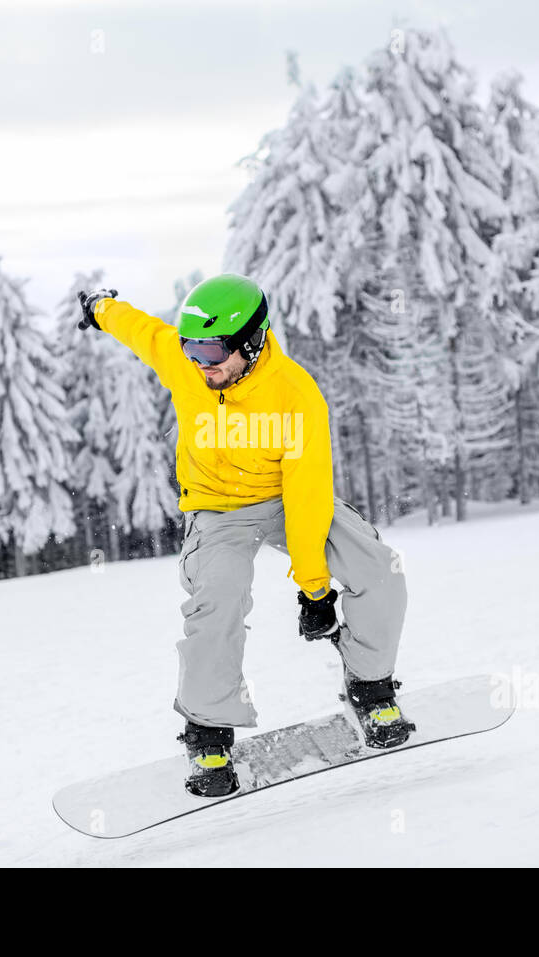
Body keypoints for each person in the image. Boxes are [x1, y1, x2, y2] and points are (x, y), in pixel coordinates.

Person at [77, 274, 411, 797]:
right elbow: (140, 330)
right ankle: (207, 729)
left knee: (377, 567)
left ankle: (369, 685)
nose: (201, 363)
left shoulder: (296, 394)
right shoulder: (188, 367)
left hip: (285, 500)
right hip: (216, 511)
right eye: (192, 350)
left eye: (213, 351)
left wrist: (315, 587)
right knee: (219, 597)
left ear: (252, 341)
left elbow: (306, 498)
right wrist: (101, 308)